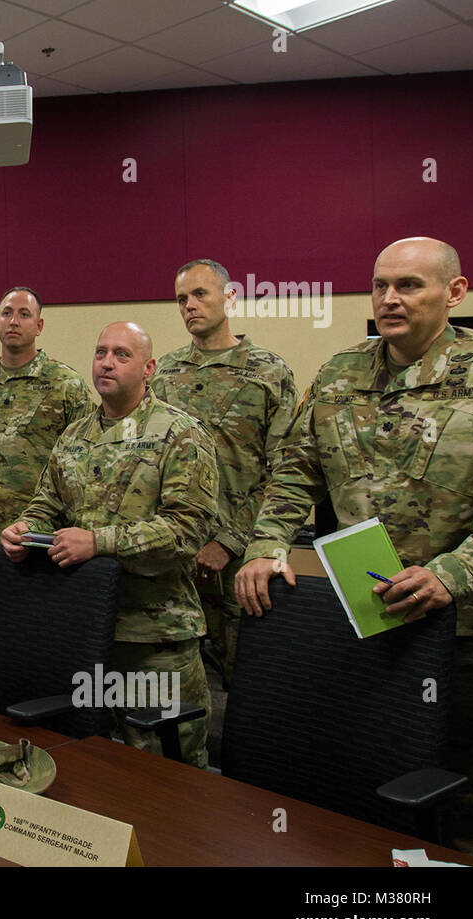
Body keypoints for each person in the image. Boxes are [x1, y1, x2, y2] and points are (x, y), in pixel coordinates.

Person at [236, 236, 473, 853]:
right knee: (366, 781)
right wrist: (265, 544)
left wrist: (454, 571)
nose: (390, 299)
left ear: (454, 292)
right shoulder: (339, 374)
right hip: (363, 616)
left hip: (465, 630)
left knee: (461, 794)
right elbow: (294, 471)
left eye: (408, 285)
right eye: (380, 286)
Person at [2, 321, 219, 767]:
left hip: (154, 638)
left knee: (163, 767)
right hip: (86, 628)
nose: (107, 362)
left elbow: (189, 529)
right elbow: (47, 503)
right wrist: (25, 528)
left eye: (122, 354)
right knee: (94, 762)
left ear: (149, 368)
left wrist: (99, 542)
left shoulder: (180, 433)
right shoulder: (75, 435)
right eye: (101, 352)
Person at [149, 260, 297, 687]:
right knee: (174, 687)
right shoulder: (164, 373)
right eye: (181, 299)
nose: (189, 306)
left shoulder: (269, 372)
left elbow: (285, 471)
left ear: (231, 297)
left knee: (248, 684)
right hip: (173, 558)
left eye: (200, 294)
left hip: (241, 562)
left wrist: (227, 543)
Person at [0, 287, 93, 553]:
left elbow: (88, 465)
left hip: (45, 537)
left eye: (24, 314)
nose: (14, 321)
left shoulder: (66, 385)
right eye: (7, 313)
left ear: (39, 325)